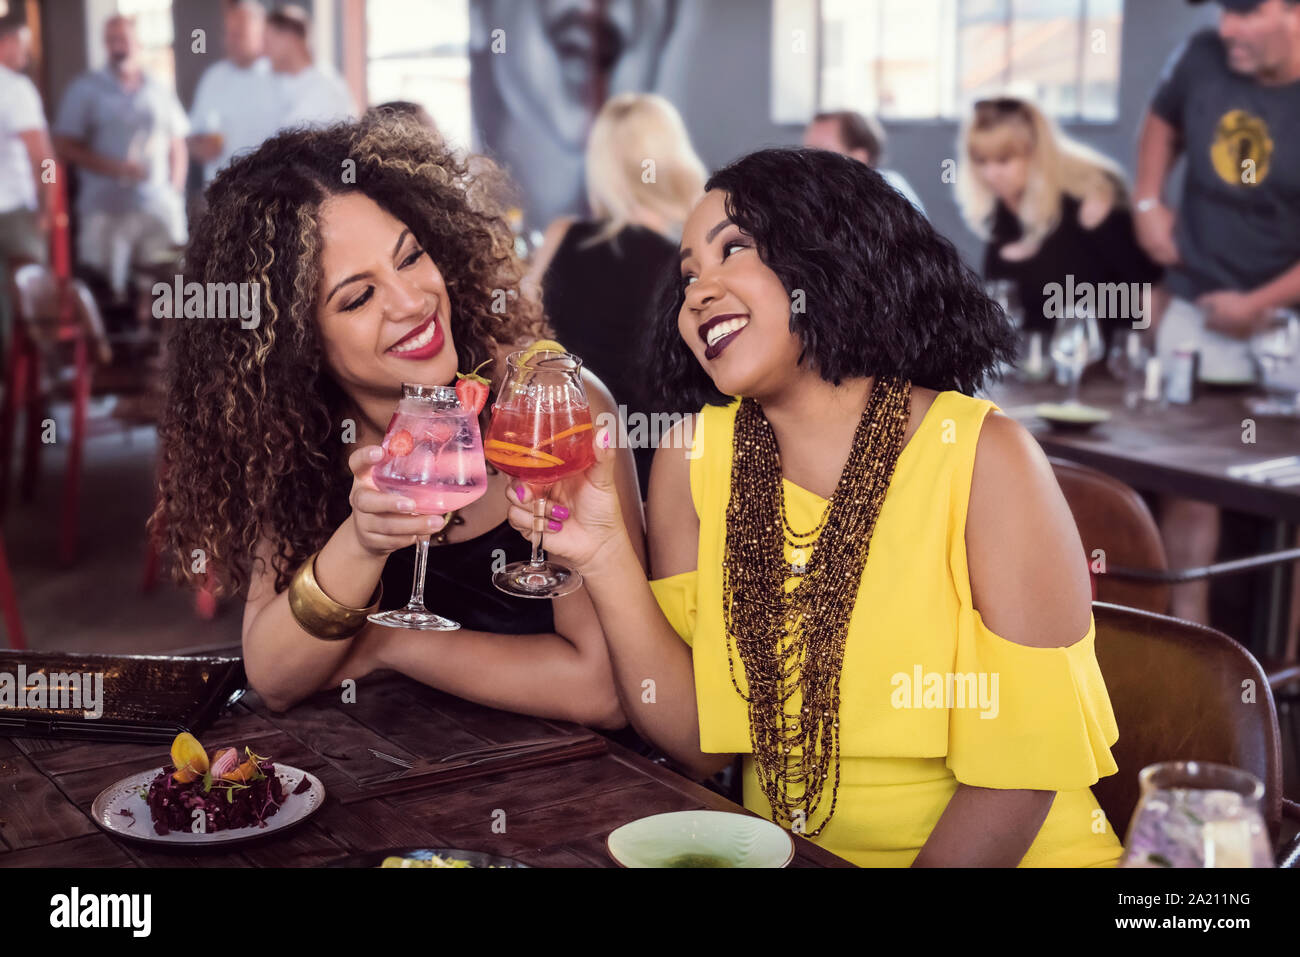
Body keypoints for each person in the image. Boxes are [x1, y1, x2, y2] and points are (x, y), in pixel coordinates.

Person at [503, 147, 1125, 867]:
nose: (698, 292)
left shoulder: (987, 455)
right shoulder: (691, 458)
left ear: (832, 253)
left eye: (733, 248)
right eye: (687, 276)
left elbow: (1020, 776)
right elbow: (700, 745)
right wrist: (604, 556)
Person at [150, 115, 646, 732]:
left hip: (581, 787)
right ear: (296, 342)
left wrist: (383, 645)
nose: (412, 301)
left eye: (410, 258)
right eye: (358, 298)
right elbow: (274, 676)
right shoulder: (305, 443)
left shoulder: (543, 406)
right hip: (406, 782)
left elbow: (603, 692)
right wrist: (360, 540)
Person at [1135, 0, 1300, 624]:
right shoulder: (1202, 56)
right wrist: (1149, 202)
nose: (1227, 28)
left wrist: (1256, 304)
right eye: (1224, 12)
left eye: (1247, 12)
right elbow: (1159, 122)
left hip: (1287, 322)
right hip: (1198, 298)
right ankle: (1190, 639)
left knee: (1290, 490)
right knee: (1187, 477)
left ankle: (1287, 659)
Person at [526, 93, 706, 499]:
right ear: (676, 158)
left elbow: (524, 346)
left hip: (566, 462)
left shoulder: (561, 237)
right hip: (665, 473)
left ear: (602, 165)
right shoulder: (690, 262)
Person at [956, 95, 1161, 348]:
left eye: (1003, 160)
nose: (990, 174)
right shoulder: (1002, 212)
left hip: (1099, 369)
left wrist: (1147, 361)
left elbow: (1146, 289)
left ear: (1036, 155)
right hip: (1031, 369)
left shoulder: (1091, 202)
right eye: (981, 161)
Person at [52, 14, 188, 300]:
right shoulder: (85, 88)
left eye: (123, 39)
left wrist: (174, 191)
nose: (118, 46)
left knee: (163, 289)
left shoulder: (159, 88)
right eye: (111, 40)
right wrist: (115, 168)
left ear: (137, 43)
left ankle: (157, 344)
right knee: (108, 294)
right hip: (104, 208)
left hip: (156, 209)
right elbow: (62, 145)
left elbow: (178, 143)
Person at [0, 20, 53, 359]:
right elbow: (43, 158)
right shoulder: (15, 88)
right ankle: (38, 385)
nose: (28, 52)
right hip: (14, 214)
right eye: (23, 43)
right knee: (37, 302)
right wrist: (48, 208)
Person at [188, 0, 279, 184]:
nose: (230, 41)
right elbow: (190, 138)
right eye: (227, 34)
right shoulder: (213, 78)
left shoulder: (280, 77)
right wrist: (199, 147)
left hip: (270, 192)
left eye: (238, 34)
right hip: (220, 194)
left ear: (261, 34)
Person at [803, 110, 926, 216]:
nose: (806, 160)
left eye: (820, 152)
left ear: (858, 158)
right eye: (805, 151)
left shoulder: (888, 194)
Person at [265, 5, 356, 131]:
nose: (264, 51)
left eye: (268, 42)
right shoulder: (276, 83)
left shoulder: (327, 89)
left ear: (290, 39)